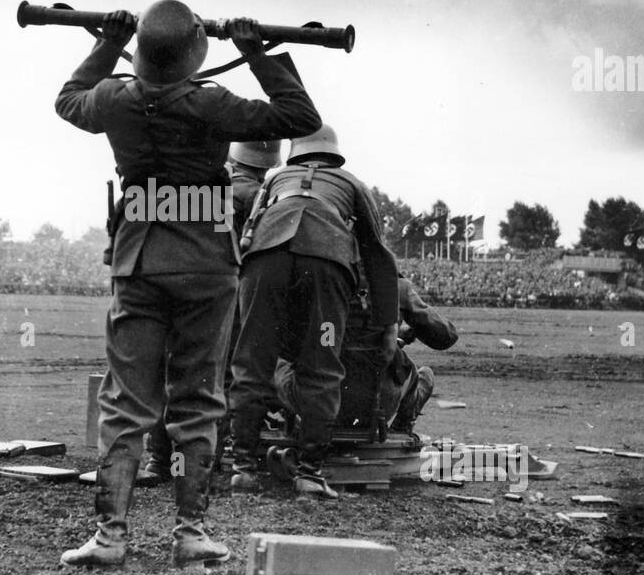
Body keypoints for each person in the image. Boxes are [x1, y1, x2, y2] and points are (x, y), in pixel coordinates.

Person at [55, 0, 320, 566]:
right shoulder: (212, 103)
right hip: (205, 261)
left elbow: (67, 100)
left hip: (140, 259)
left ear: (143, 52)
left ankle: (110, 536)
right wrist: (256, 51)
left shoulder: (113, 97)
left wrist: (107, 42)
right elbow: (299, 116)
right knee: (198, 398)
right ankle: (190, 533)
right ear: (196, 53)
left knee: (126, 402)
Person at [227, 124, 400, 498]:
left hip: (264, 260)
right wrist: (388, 325)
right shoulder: (352, 184)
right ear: (333, 151)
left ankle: (241, 469)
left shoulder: (273, 180)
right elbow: (378, 256)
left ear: (295, 151)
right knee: (321, 367)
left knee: (251, 362)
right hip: (325, 264)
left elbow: (247, 230)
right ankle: (309, 472)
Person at [140, 138, 283, 482]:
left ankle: (159, 461)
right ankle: (200, 468)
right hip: (225, 297)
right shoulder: (260, 196)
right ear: (268, 162)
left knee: (172, 375)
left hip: (178, 287)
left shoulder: (206, 183)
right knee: (218, 382)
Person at [274, 276, 457, 452]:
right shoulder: (396, 286)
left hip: (318, 401)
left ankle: (286, 418)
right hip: (377, 406)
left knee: (281, 359)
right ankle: (401, 428)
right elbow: (446, 337)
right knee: (422, 374)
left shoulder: (316, 279)